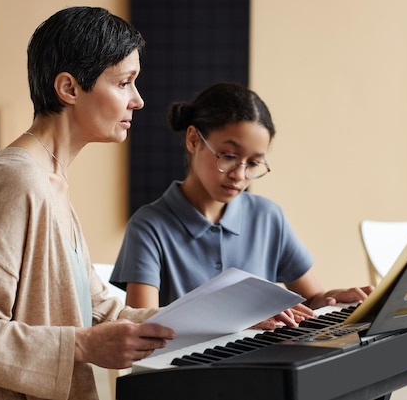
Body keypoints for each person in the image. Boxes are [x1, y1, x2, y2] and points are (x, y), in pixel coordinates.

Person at [0, 6, 175, 400]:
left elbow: (102, 313)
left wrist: (232, 322)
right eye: (125, 83)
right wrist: (83, 346)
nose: (137, 100)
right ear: (69, 89)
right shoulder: (14, 182)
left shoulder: (51, 181)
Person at [110, 82, 373, 328]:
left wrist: (332, 299)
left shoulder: (268, 217)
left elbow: (311, 297)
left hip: (261, 369)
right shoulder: (149, 227)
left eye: (254, 163)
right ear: (193, 140)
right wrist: (235, 317)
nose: (239, 174)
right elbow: (141, 329)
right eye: (229, 156)